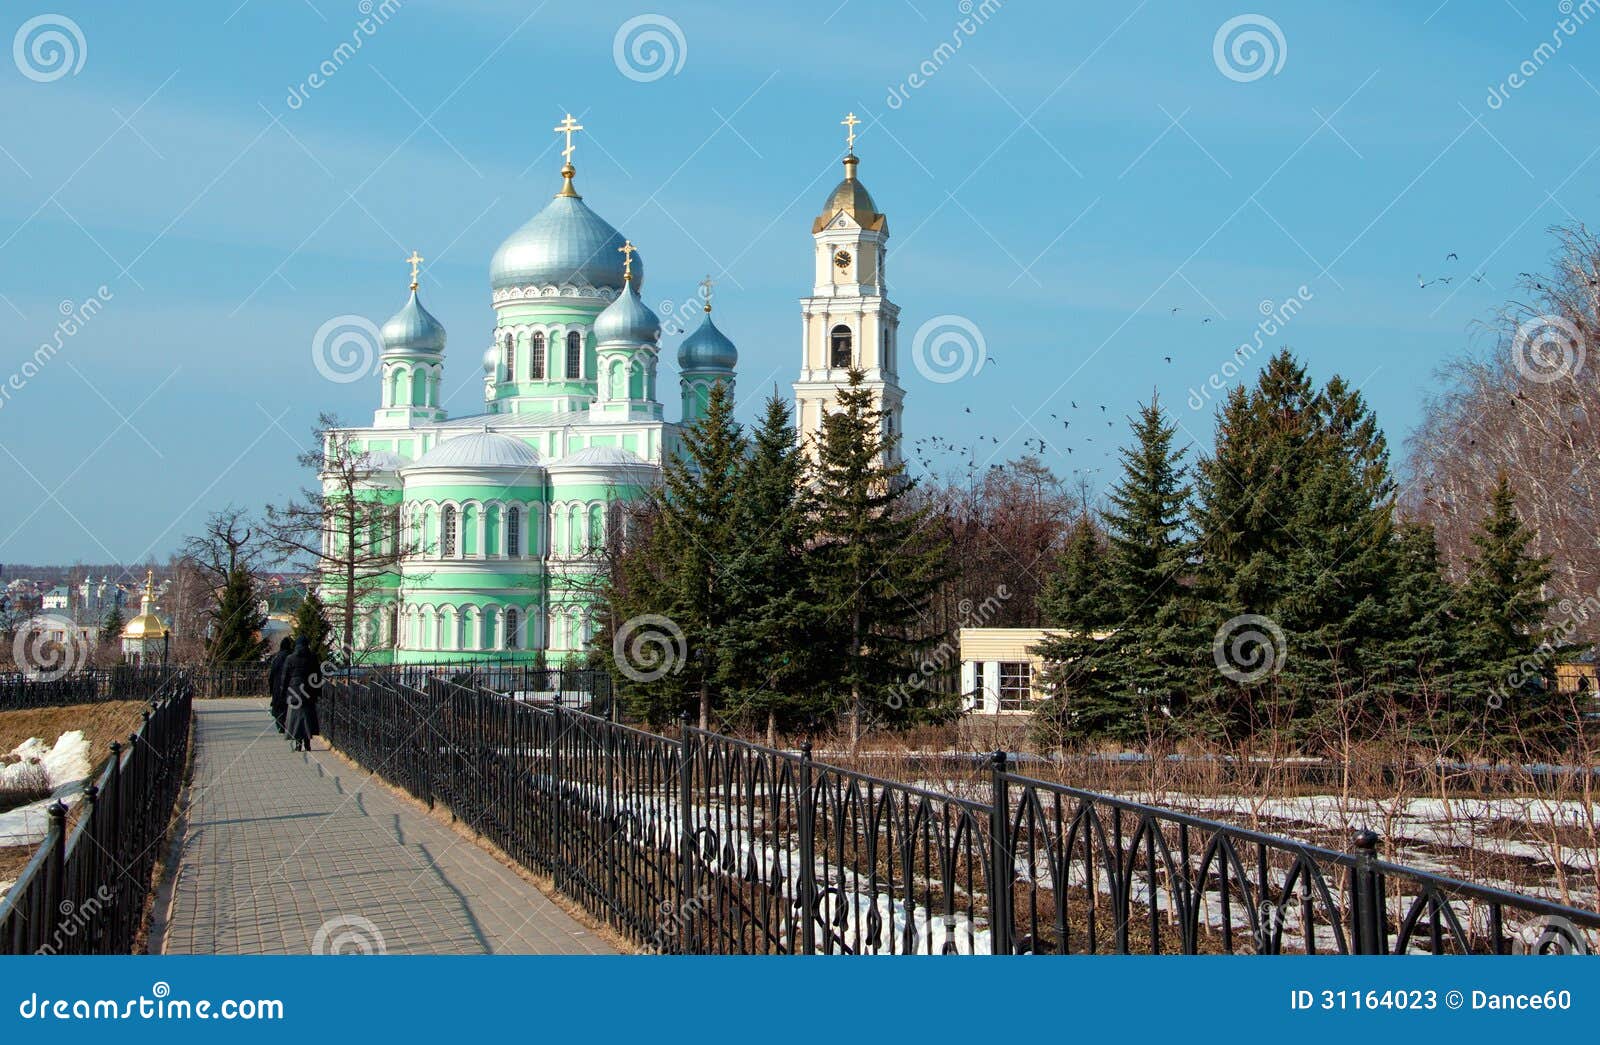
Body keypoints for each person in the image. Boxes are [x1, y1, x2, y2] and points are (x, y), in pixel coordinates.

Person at [283, 637, 323, 752]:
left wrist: (283, 692)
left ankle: (298, 743)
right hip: (309, 692)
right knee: (307, 718)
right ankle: (308, 742)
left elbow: (285, 677)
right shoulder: (312, 657)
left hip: (294, 691)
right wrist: (318, 692)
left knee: (295, 719)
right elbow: (317, 676)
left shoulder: (290, 658)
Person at [267, 636, 293, 733]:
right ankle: (287, 724)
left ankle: (280, 725)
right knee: (287, 706)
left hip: (277, 686)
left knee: (278, 707)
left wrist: (271, 688)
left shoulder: (277, 658)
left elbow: (272, 674)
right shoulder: (291, 657)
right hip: (289, 686)